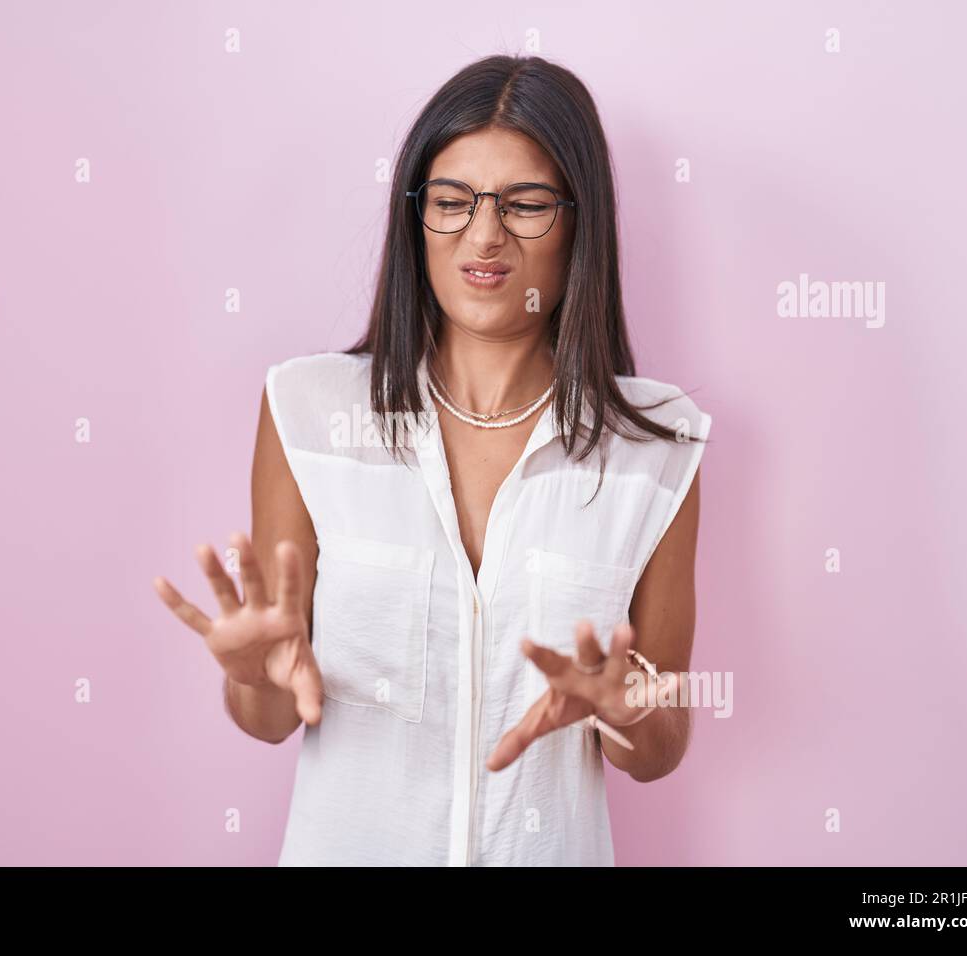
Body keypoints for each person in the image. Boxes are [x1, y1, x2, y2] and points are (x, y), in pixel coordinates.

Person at [154, 53, 711, 866]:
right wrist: (255, 676)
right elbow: (275, 715)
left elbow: (661, 748)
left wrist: (628, 707)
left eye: (524, 205)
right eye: (451, 202)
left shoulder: (658, 442)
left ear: (580, 220)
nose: (484, 237)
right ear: (416, 217)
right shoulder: (309, 410)